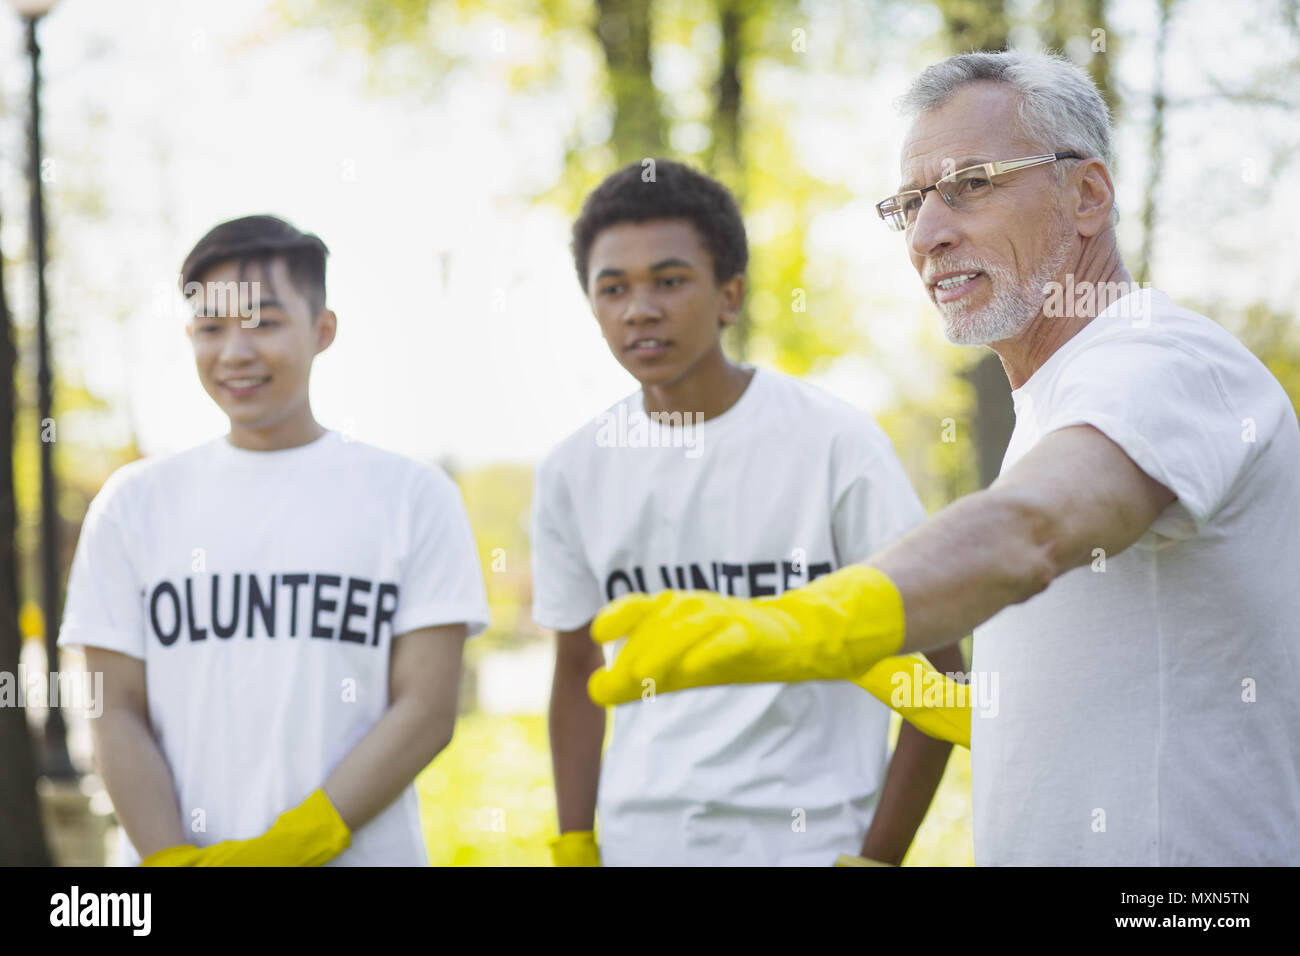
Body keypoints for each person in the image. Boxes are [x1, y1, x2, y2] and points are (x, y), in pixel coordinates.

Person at [586, 51, 1300, 866]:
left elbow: (1029, 529)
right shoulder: (1058, 400)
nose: (928, 234)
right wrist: (964, 704)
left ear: (1087, 194)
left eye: (971, 184)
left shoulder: (1162, 362)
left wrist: (817, 623)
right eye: (909, 204)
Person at [534, 159, 965, 867]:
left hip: (809, 843)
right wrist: (576, 842)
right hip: (639, 846)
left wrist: (877, 859)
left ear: (729, 295)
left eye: (669, 281)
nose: (639, 308)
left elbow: (940, 669)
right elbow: (577, 668)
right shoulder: (572, 469)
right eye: (613, 288)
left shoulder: (836, 444)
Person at [59, 214, 490, 866]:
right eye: (211, 328)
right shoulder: (132, 504)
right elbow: (113, 709)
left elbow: (426, 709)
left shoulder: (412, 496)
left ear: (323, 330)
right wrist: (171, 858)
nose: (234, 351)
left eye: (262, 322)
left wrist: (295, 845)